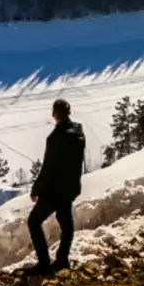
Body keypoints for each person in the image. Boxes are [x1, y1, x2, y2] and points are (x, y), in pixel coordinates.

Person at [27, 98, 86, 275]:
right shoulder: (78, 132)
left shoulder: (56, 137)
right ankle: (62, 260)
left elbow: (48, 166)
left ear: (55, 114)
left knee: (34, 221)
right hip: (70, 187)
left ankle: (44, 262)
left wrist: (36, 188)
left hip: (54, 189)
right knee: (66, 224)